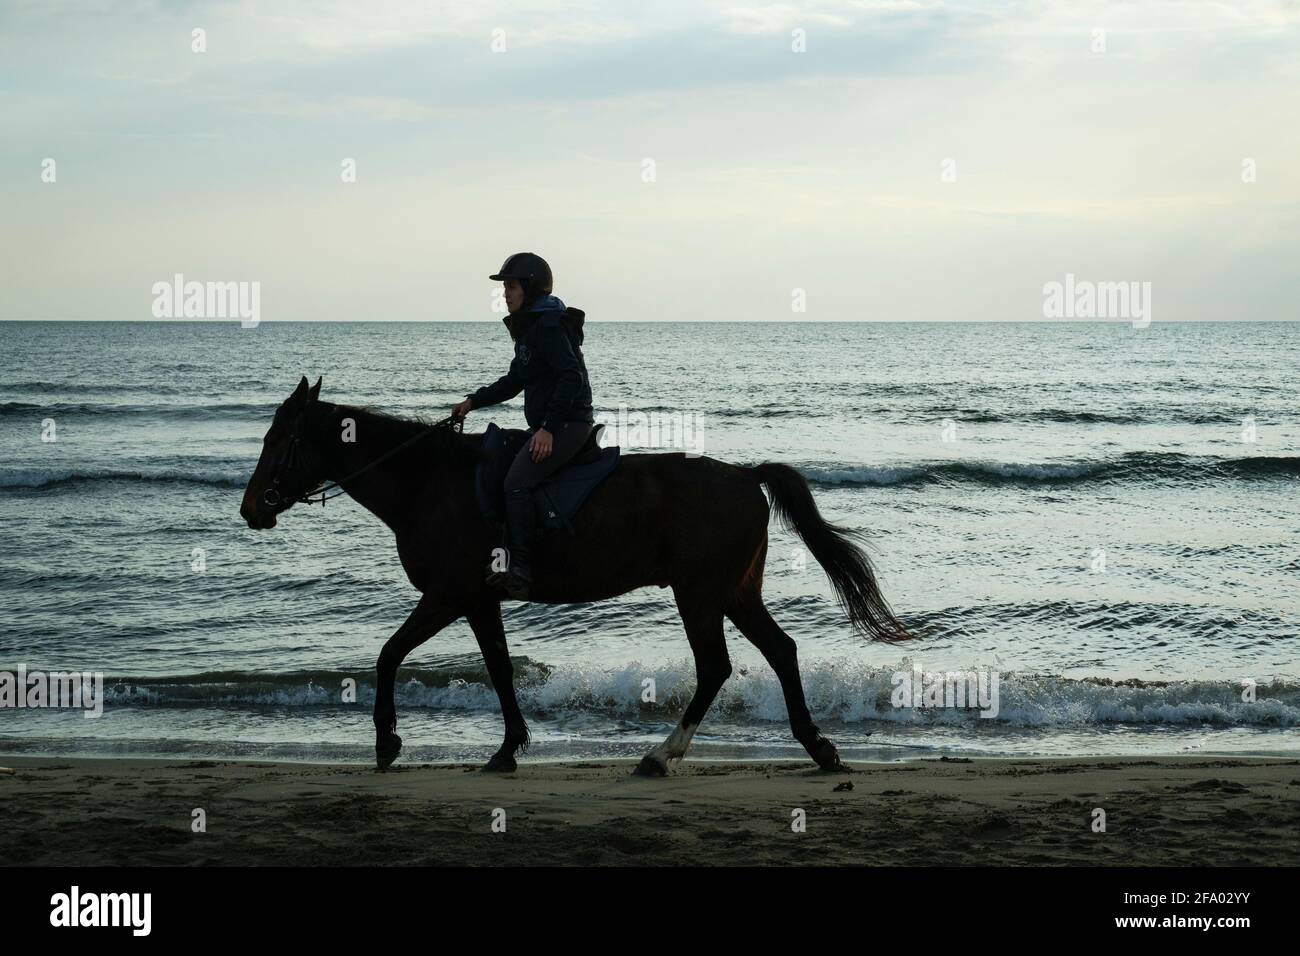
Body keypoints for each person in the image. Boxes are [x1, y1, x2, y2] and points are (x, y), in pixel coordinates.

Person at [452, 253, 595, 599]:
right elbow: (515, 380)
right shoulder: (532, 328)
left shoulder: (547, 327)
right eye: (504, 287)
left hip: (568, 426)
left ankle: (521, 569)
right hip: (553, 425)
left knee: (516, 480)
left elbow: (570, 377)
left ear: (531, 288)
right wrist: (473, 401)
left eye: (511, 286)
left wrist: (547, 428)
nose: (505, 294)